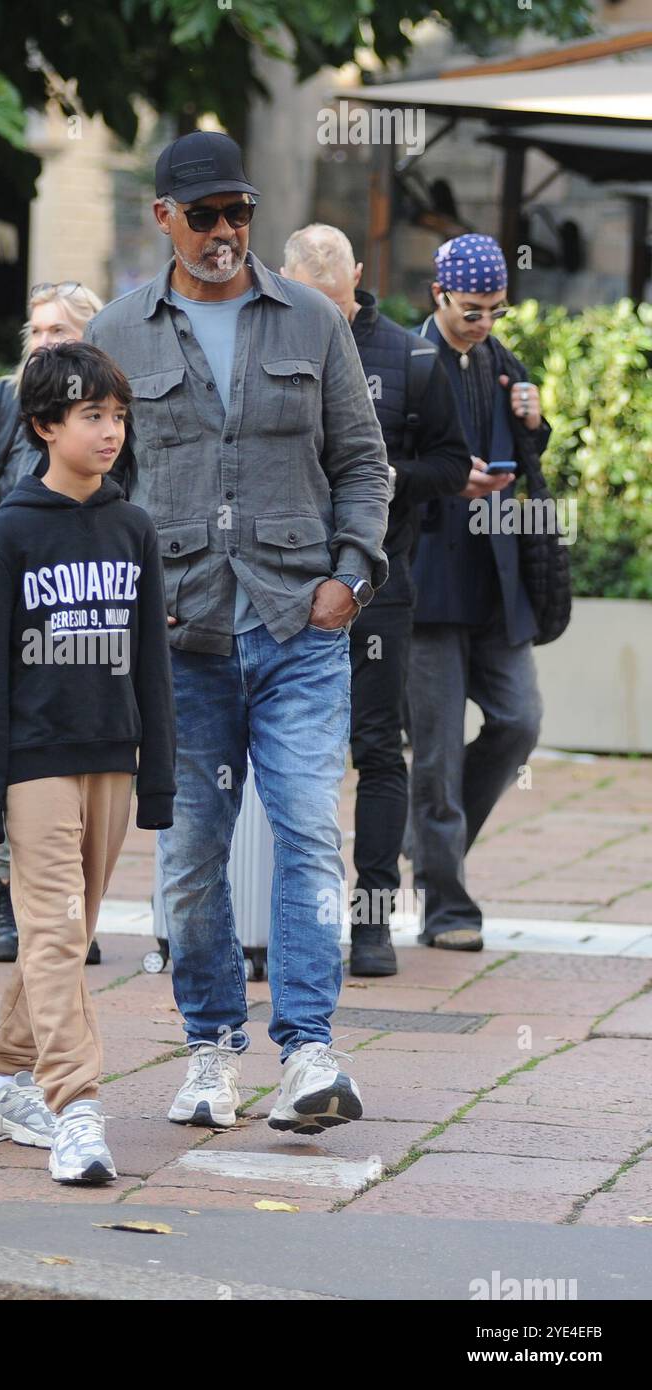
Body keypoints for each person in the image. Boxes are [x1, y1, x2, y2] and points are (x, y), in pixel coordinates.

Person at [83, 131, 390, 1135]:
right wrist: (133, 604)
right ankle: (210, 1049)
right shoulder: (121, 333)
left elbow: (365, 464)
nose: (225, 231)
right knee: (190, 856)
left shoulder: (308, 317)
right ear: (162, 218)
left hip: (300, 625)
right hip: (183, 638)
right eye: (204, 214)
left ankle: (308, 1052)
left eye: (239, 213)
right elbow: (96, 485)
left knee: (307, 829)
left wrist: (349, 576)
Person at [0, 340, 175, 1184]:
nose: (111, 431)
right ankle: (75, 1106)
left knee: (68, 933)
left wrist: (157, 774)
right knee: (54, 934)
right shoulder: (9, 534)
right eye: (93, 415)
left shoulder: (133, 527)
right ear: (46, 426)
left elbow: (152, 662)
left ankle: (0, 1081)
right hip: (32, 763)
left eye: (119, 416)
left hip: (112, 762)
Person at [281, 226, 470, 976]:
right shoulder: (269, 342)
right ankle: (288, 918)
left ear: (358, 277)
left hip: (380, 583)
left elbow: (452, 464)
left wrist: (388, 478)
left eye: (339, 300)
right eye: (311, 301)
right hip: (286, 577)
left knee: (378, 749)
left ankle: (372, 920)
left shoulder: (413, 359)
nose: (328, 315)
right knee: (289, 753)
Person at [0, 280, 106, 965]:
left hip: (83, 603)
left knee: (76, 754)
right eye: (37, 331)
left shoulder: (108, 413)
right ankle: (1, 905)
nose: (45, 342)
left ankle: (69, 910)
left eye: (61, 331)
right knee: (0, 750)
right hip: (4, 598)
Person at [406, 234, 546, 951]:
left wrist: (532, 421)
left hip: (497, 581)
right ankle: (446, 902)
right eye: (471, 310)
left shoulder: (502, 362)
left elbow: (530, 456)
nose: (484, 322)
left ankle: (431, 838)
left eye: (495, 309)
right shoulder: (406, 358)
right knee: (432, 752)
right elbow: (378, 463)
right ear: (439, 296)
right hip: (427, 584)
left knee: (519, 721)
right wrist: (446, 478)